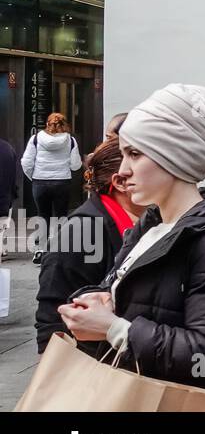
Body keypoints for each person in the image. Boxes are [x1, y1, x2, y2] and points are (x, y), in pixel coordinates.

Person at [57, 84, 205, 412]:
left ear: (176, 156)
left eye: (135, 154)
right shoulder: (151, 225)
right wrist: (101, 297)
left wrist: (115, 329)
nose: (122, 170)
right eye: (124, 154)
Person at [35, 136, 142, 353]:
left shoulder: (146, 222)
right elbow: (53, 310)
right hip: (93, 363)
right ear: (120, 182)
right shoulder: (84, 229)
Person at [21, 112, 83, 264]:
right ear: (65, 124)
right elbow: (76, 165)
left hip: (40, 183)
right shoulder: (71, 140)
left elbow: (26, 162)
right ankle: (58, 251)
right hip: (62, 182)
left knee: (43, 215)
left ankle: (41, 251)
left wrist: (34, 177)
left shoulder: (36, 139)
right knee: (60, 215)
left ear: (47, 124)